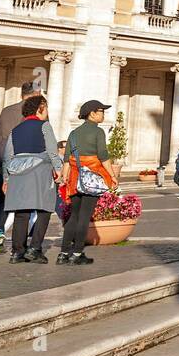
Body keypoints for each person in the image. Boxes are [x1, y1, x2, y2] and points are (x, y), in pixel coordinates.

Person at [1, 94, 61, 263]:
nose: (47, 112)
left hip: (18, 174)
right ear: (40, 107)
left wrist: (6, 178)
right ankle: (35, 249)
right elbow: (52, 151)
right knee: (44, 210)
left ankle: (17, 252)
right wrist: (58, 171)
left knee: (21, 212)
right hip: (40, 171)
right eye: (46, 108)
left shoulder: (15, 130)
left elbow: (8, 156)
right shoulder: (45, 126)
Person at [0, 80, 41, 254]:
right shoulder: (36, 112)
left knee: (2, 201)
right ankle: (20, 242)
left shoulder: (7, 111)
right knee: (24, 204)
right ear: (36, 94)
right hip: (27, 164)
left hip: (5, 163)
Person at [59, 100, 117, 265]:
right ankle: (77, 253)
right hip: (92, 179)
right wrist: (112, 175)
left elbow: (66, 159)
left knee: (74, 216)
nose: (103, 114)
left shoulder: (73, 133)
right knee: (85, 216)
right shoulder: (98, 132)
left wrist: (64, 177)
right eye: (101, 111)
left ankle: (63, 253)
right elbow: (103, 156)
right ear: (92, 113)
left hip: (75, 178)